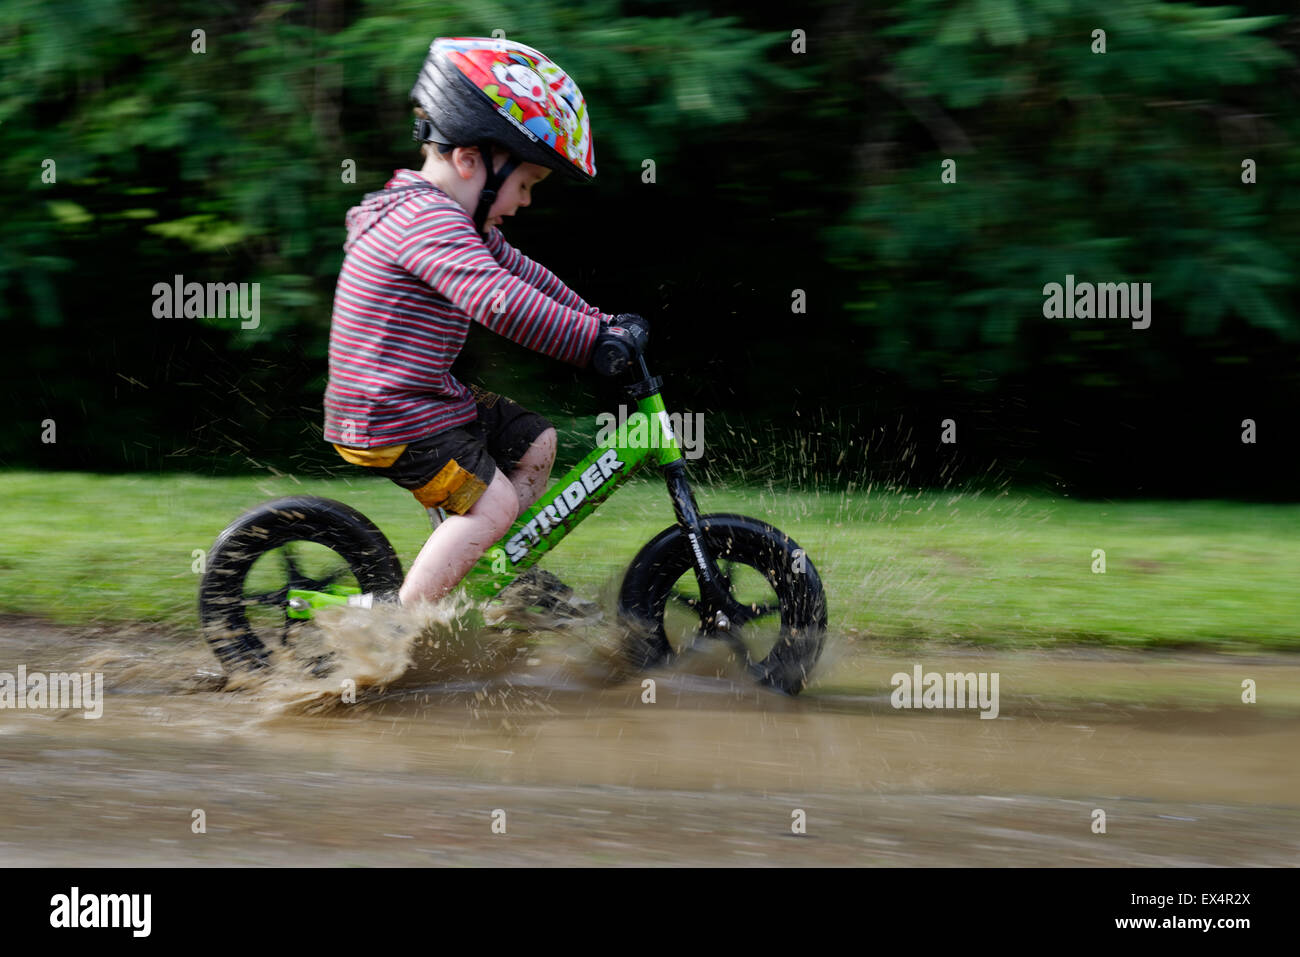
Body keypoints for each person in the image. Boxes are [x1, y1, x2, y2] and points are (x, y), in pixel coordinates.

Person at [323, 36, 648, 609]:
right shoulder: (424, 222)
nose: (523, 200)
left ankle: (497, 572)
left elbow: (528, 278)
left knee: (536, 441)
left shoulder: (458, 224)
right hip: (391, 413)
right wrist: (588, 343)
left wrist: (601, 322)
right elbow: (499, 300)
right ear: (472, 159)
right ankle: (403, 625)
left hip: (425, 399)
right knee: (493, 505)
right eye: (524, 183)